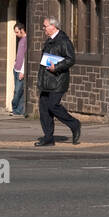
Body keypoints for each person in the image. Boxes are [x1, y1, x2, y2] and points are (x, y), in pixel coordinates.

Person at [35, 16, 81, 146]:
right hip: (46, 81)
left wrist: (57, 67)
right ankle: (48, 138)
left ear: (53, 26)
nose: (43, 28)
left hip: (58, 80)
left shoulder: (63, 41)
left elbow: (71, 59)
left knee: (53, 105)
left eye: (45, 26)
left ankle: (74, 124)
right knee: (44, 109)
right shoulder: (49, 40)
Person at [11, 22, 28, 116]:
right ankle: (18, 111)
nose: (16, 35)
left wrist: (23, 71)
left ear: (22, 30)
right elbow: (20, 54)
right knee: (18, 91)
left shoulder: (26, 40)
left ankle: (14, 107)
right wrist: (15, 62)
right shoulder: (21, 40)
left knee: (18, 91)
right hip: (16, 69)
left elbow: (26, 57)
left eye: (17, 32)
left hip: (21, 71)